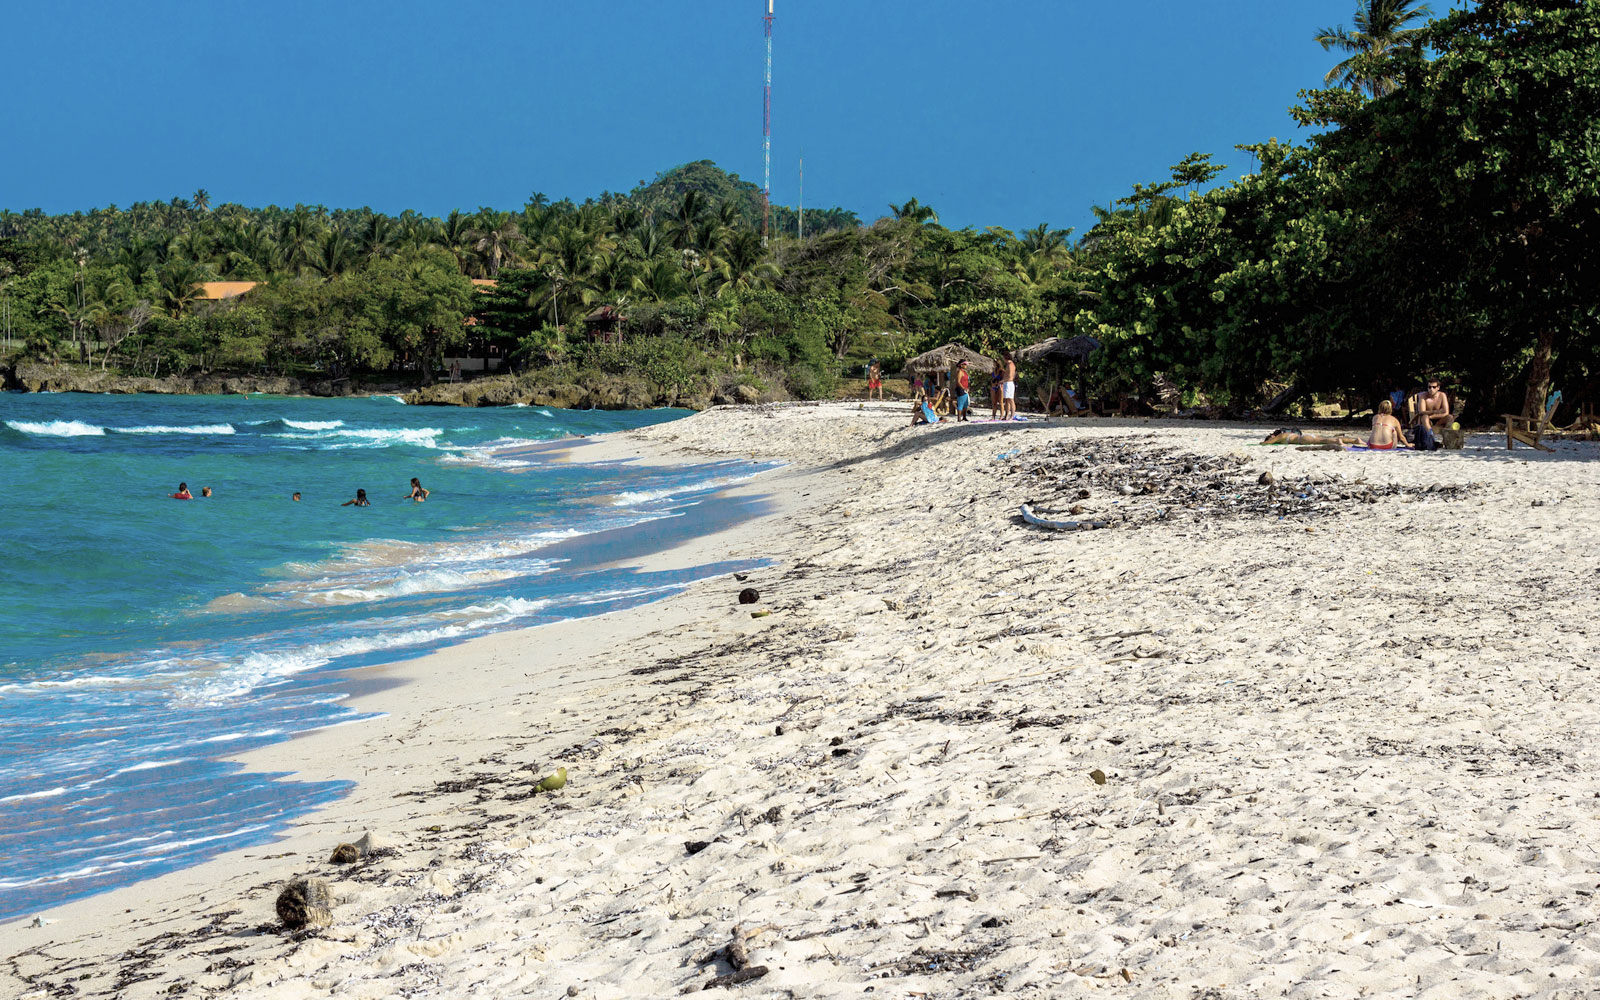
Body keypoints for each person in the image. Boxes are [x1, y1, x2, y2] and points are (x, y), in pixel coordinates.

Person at [1411, 378, 1450, 450]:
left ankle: (1447, 441)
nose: (1431, 389)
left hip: (1438, 419)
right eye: (1429, 387)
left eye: (1434, 387)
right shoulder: (1423, 396)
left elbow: (1446, 412)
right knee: (1424, 416)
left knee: (1450, 417)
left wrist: (1432, 416)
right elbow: (1421, 411)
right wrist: (1435, 411)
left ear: (1438, 388)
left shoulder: (1442, 395)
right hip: (1426, 421)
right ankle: (1431, 439)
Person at [1000, 351, 1018, 421]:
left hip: (1009, 383)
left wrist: (1002, 381)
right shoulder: (1008, 364)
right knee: (1007, 400)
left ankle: (1012, 415)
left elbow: (1010, 377)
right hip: (1006, 383)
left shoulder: (1010, 365)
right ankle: (1006, 415)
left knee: (1010, 399)